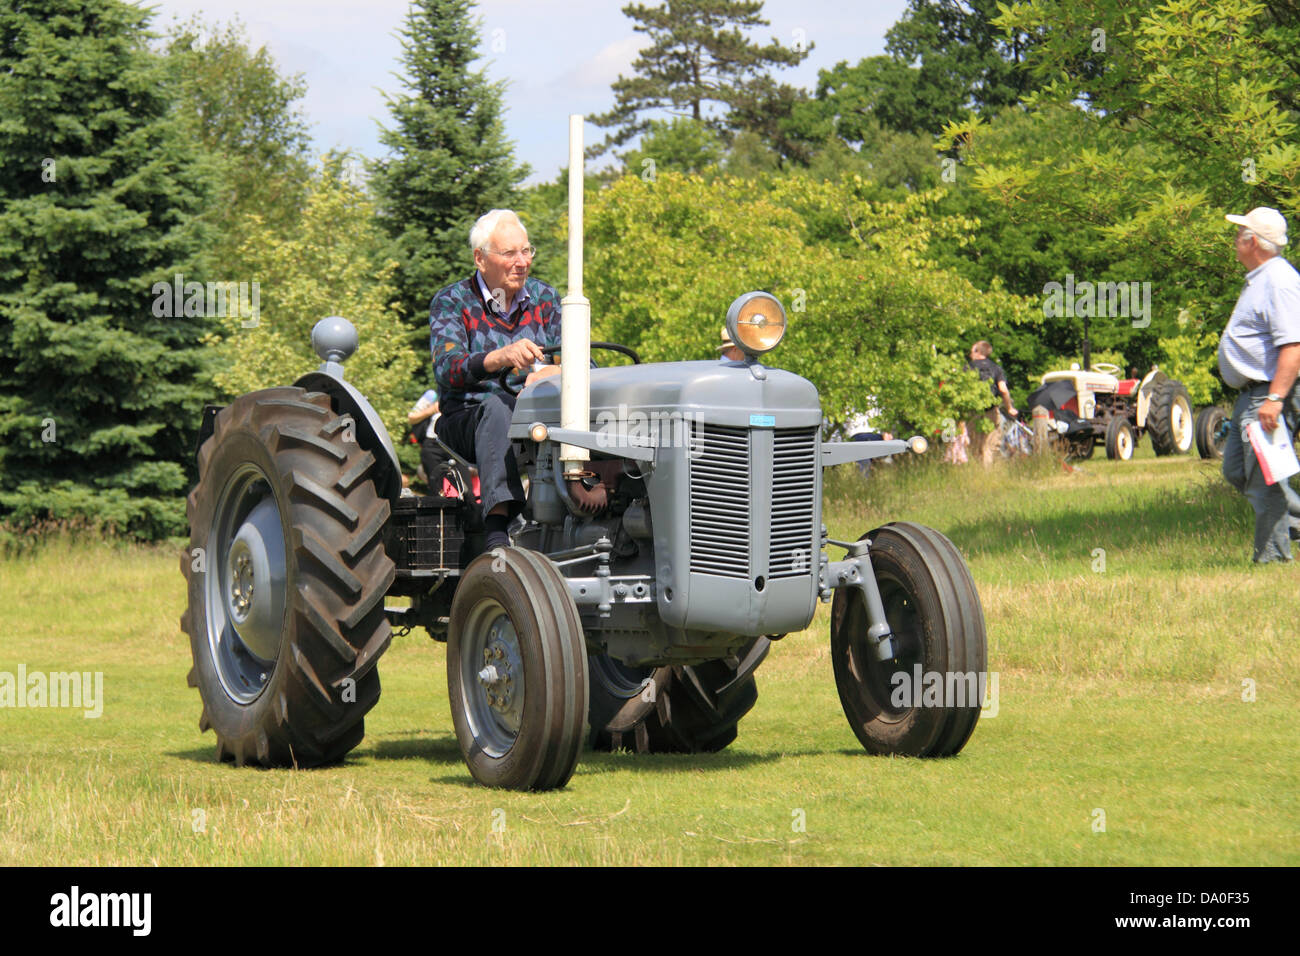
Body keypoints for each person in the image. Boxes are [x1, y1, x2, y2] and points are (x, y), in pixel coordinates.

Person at [429, 209, 562, 551]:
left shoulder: (546, 299)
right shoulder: (452, 301)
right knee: (498, 405)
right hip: (467, 418)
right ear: (480, 258)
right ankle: (498, 529)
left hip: (538, 416)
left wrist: (558, 371)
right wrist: (498, 358)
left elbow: (586, 362)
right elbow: (447, 367)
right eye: (509, 253)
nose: (522, 262)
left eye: (526, 251)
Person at [1217, 206, 1300, 564]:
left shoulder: (1279, 281)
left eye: (1239, 235)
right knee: (1236, 469)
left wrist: (1275, 398)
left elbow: (1294, 347)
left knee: (1262, 479)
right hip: (1251, 394)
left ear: (1253, 242)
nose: (1234, 241)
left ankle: (1272, 559)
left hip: (1268, 393)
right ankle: (1292, 524)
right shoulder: (1261, 277)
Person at [965, 340, 1017, 466]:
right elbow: (1003, 390)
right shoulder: (996, 368)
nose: (970, 354)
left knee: (974, 446)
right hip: (991, 412)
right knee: (989, 447)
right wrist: (1009, 408)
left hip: (973, 412)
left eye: (972, 351)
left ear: (977, 352)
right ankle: (987, 475)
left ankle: (975, 475)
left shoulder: (967, 368)